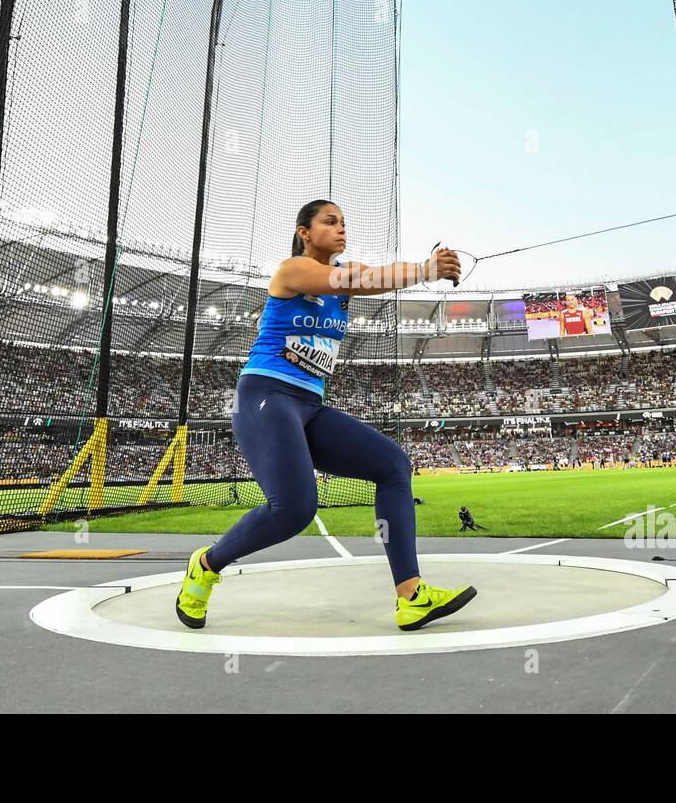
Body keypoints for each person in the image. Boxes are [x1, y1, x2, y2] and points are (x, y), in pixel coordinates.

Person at [175, 199, 477, 632]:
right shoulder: (292, 271)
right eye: (329, 222)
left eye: (344, 224)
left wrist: (416, 273)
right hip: (266, 396)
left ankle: (412, 598)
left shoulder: (342, 287)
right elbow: (360, 277)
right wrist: (425, 269)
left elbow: (364, 279)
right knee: (294, 510)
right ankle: (205, 565)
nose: (340, 229)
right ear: (304, 232)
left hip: (309, 405)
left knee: (392, 465)